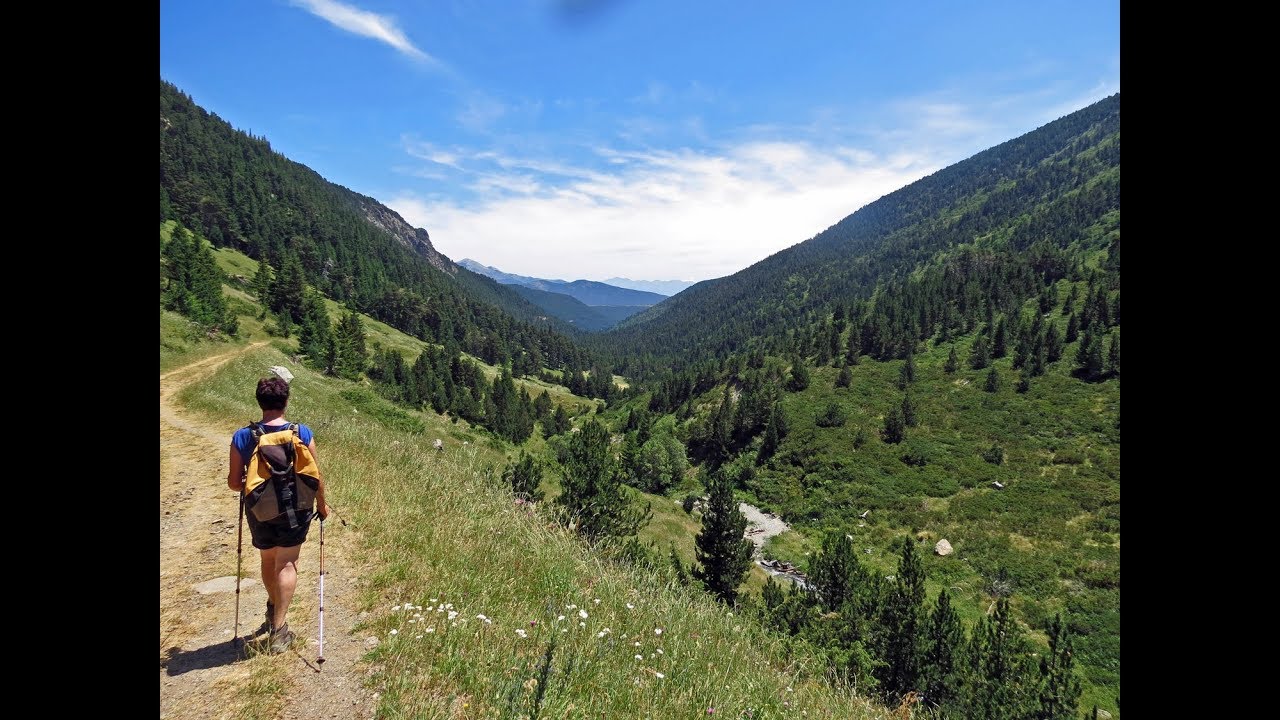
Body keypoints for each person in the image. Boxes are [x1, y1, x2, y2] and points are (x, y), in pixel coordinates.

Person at [227, 376, 330, 654]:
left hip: (259, 509)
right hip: (296, 509)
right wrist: (322, 504)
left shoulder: (242, 437)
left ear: (259, 402)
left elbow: (235, 483)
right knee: (287, 564)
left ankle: (274, 610)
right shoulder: (301, 433)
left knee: (268, 558)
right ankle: (280, 630)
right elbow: (315, 475)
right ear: (286, 402)